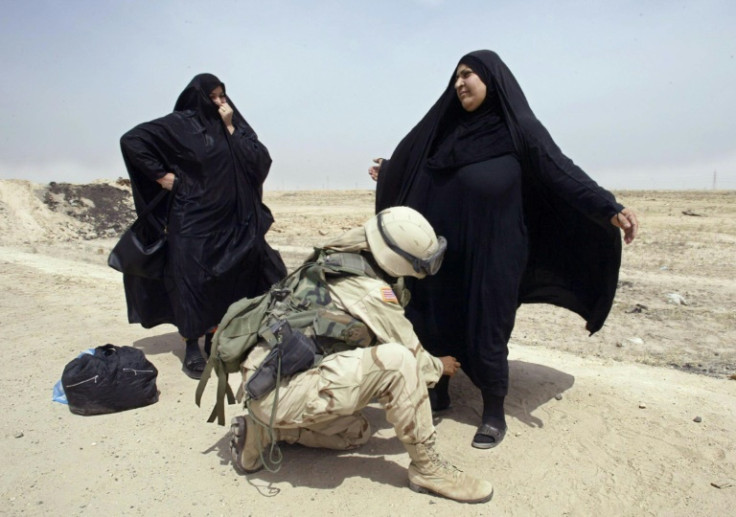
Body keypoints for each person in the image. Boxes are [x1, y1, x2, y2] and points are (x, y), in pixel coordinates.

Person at [370, 50, 638, 449]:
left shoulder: (518, 129)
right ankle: (440, 388)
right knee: (435, 317)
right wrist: (390, 171)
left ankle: (493, 409)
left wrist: (608, 207)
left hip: (497, 247)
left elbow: (560, 169)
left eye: (468, 75)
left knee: (489, 323)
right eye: (456, 77)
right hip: (445, 252)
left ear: (491, 79)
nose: (460, 83)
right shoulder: (445, 131)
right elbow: (417, 166)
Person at [228, 206, 494, 504]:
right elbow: (414, 360)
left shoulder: (339, 254)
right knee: (398, 361)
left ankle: (263, 432)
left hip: (269, 379)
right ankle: (427, 468)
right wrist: (439, 366)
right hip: (282, 388)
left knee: (356, 433)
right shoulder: (370, 291)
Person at [120, 73, 286, 379]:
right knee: (193, 282)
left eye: (223, 96)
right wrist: (163, 177)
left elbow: (259, 161)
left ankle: (214, 338)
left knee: (226, 281)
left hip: (231, 223)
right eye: (213, 97)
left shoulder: (234, 126)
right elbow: (132, 140)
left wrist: (231, 128)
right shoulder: (179, 125)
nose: (221, 102)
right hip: (192, 221)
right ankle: (192, 348)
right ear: (198, 97)